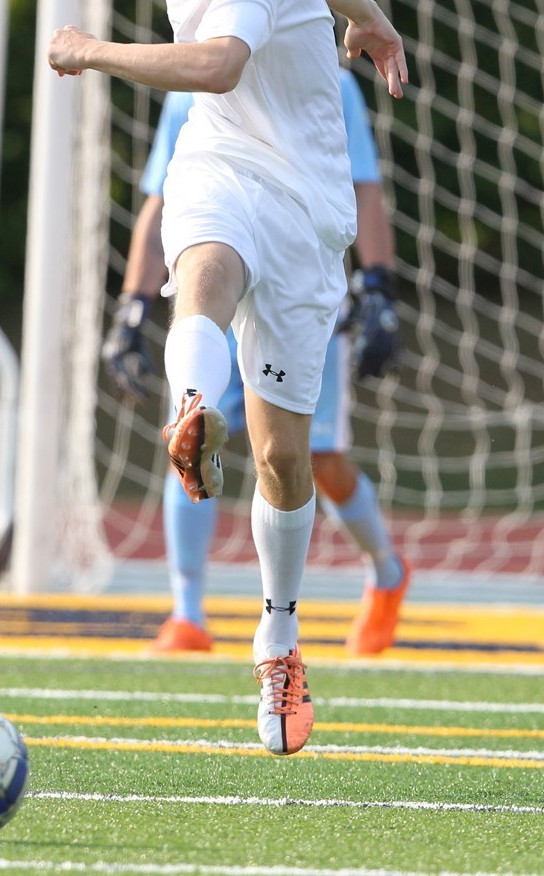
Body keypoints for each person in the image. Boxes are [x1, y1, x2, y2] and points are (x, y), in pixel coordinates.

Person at [47, 0, 407, 756]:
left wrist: (94, 51)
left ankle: (279, 635)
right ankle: (192, 402)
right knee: (199, 269)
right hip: (222, 170)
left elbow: (218, 63)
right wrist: (365, 13)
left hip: (309, 212)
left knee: (285, 459)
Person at [102, 70, 411, 660]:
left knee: (312, 460)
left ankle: (387, 571)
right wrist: (133, 306)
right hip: (216, 284)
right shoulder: (190, 79)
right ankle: (187, 614)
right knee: (191, 436)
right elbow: (161, 200)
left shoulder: (328, 80)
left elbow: (363, 187)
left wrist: (379, 288)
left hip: (300, 287)